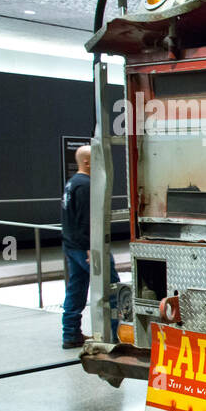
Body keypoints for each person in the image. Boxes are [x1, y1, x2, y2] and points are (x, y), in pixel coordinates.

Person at [60, 144, 119, 349]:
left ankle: (70, 333)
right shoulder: (86, 185)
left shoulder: (72, 183)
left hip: (71, 246)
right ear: (86, 162)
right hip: (87, 249)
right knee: (113, 289)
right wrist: (90, 247)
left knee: (75, 289)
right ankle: (116, 335)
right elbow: (87, 220)